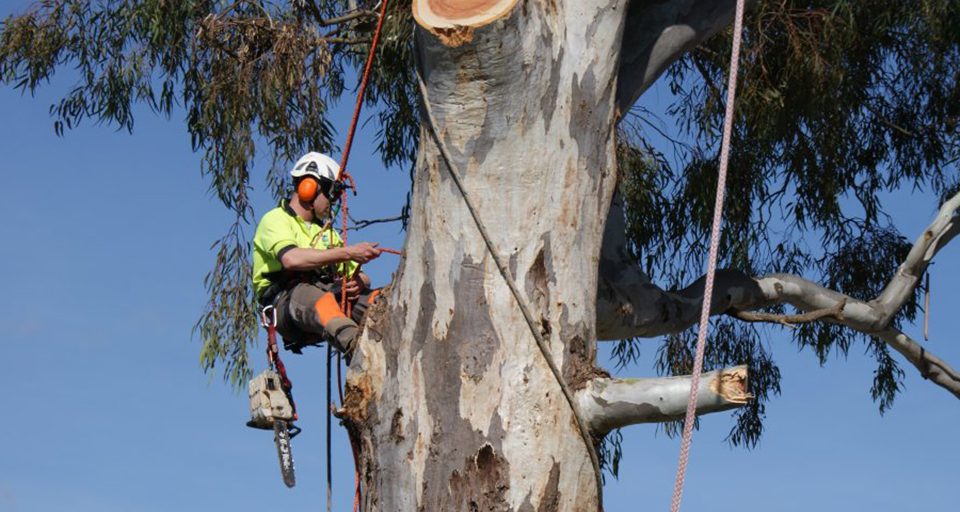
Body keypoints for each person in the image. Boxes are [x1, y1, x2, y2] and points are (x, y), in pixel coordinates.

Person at [252, 151, 382, 355]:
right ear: (309, 187)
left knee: (379, 301)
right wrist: (347, 252)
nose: (335, 202)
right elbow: (291, 259)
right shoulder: (275, 219)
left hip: (325, 291)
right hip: (286, 300)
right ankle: (358, 349)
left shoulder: (327, 233)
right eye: (332, 194)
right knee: (321, 301)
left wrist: (360, 282)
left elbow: (361, 274)